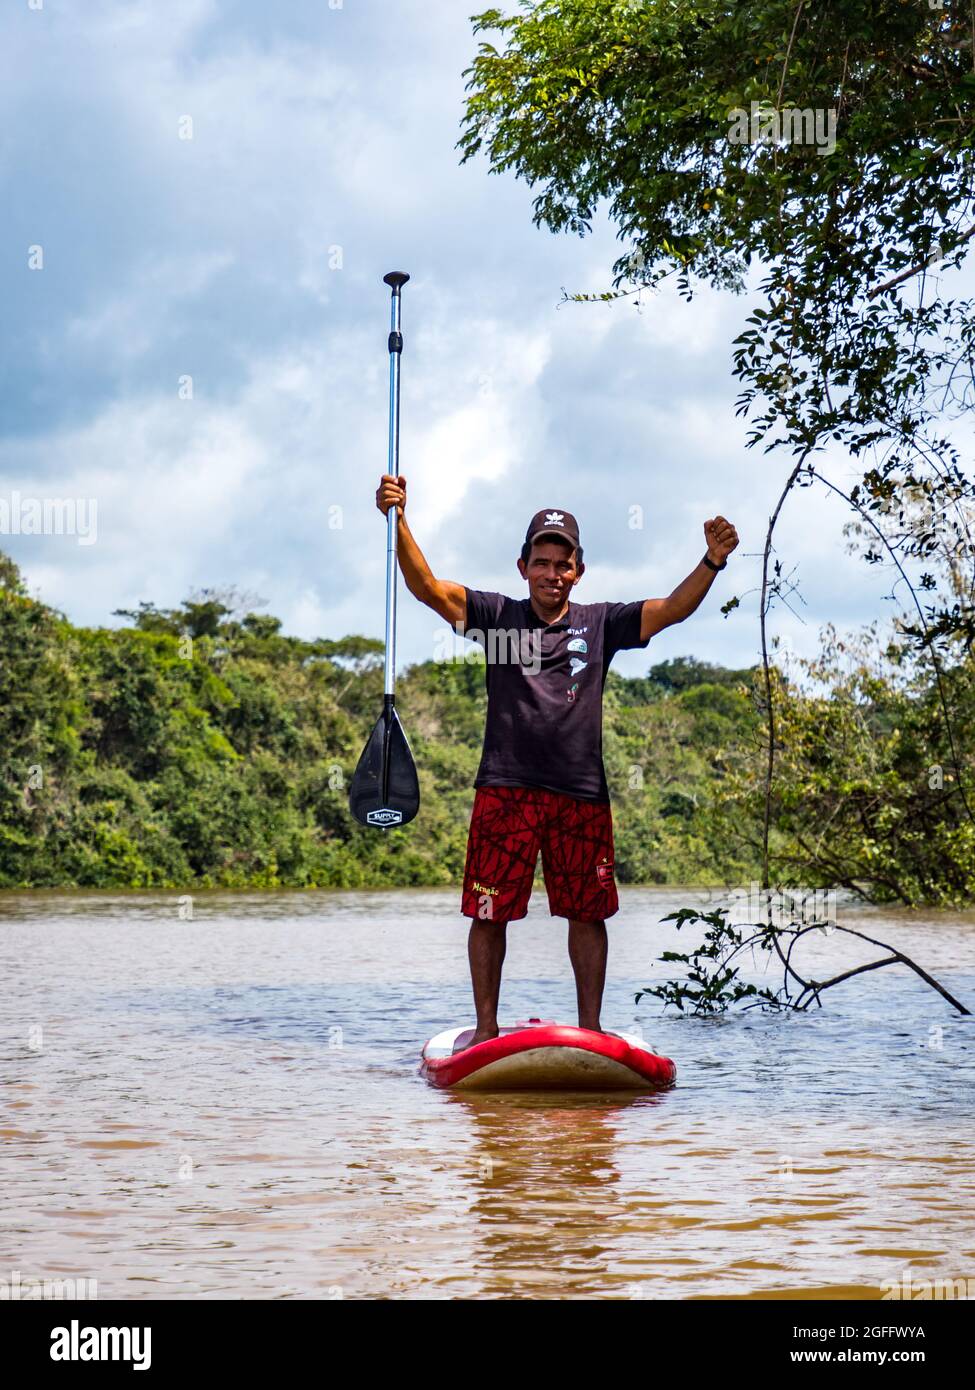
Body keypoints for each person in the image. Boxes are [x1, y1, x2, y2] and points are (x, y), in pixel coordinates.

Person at [375, 474, 739, 1043]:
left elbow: (670, 610)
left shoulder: (600, 625)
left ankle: (590, 1031)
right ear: (523, 567)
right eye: (542, 562)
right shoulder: (497, 619)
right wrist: (398, 519)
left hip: (580, 795)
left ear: (579, 571)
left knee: (588, 915)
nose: (553, 573)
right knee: (488, 913)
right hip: (505, 790)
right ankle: (487, 1030)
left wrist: (712, 561)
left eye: (563, 564)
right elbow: (427, 588)